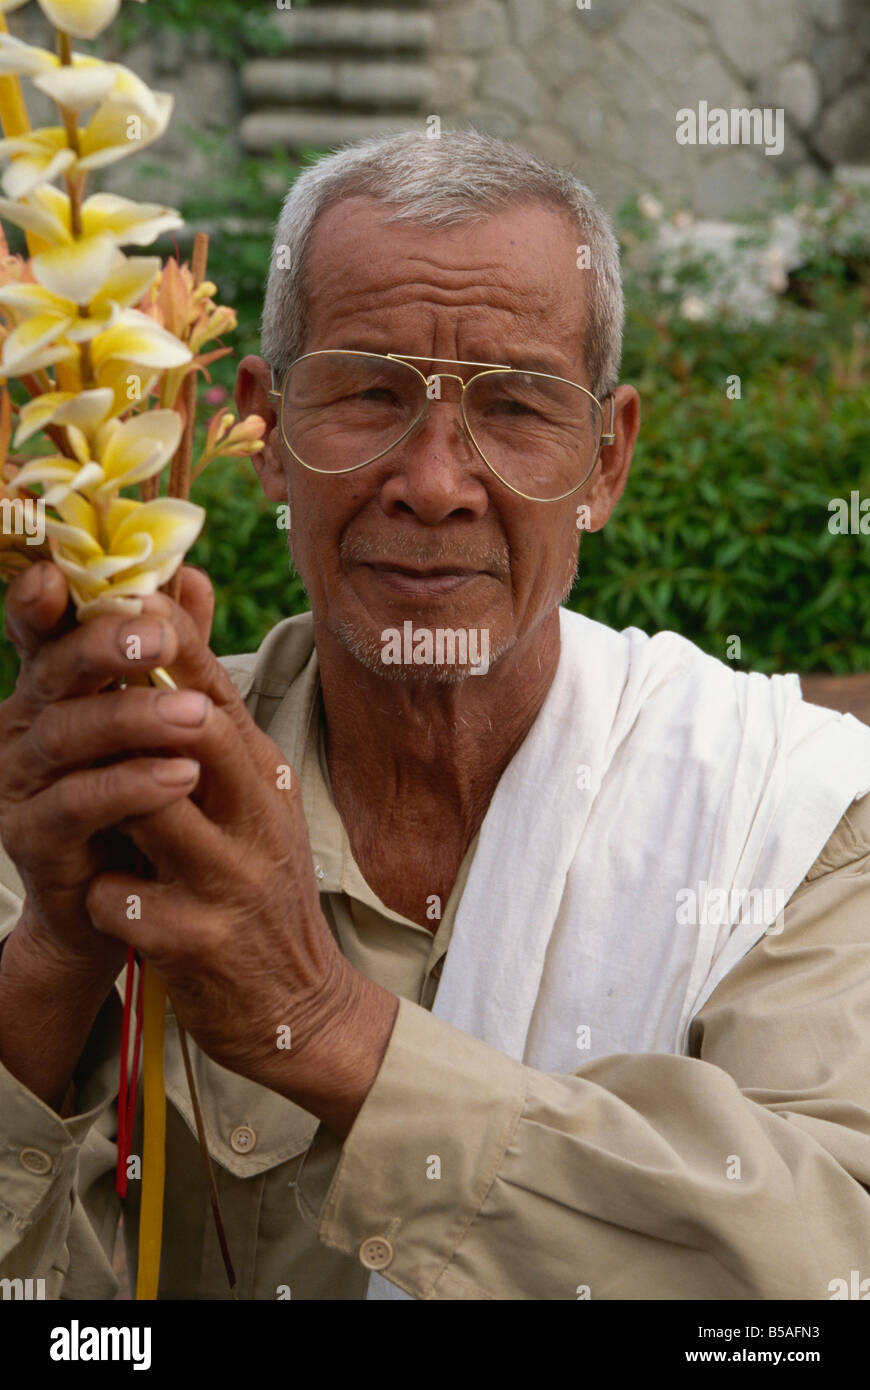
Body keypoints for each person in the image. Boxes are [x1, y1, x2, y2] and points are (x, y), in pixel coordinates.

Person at [1, 130, 869, 1302]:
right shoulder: (103, 789)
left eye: (514, 406)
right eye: (368, 392)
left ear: (606, 462)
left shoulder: (792, 815)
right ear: (263, 430)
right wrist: (52, 963)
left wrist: (326, 1024)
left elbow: (826, 1273)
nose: (436, 480)